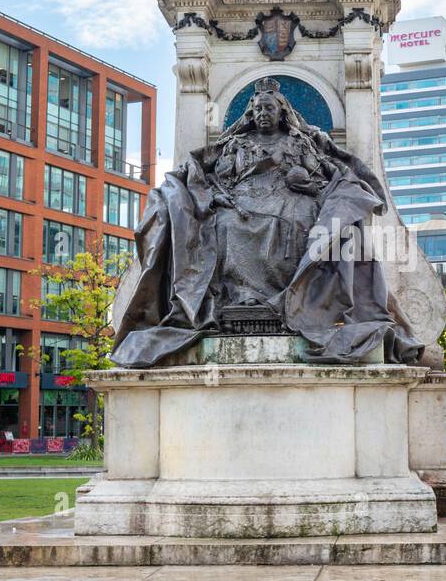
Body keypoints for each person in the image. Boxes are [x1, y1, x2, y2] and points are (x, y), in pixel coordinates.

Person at [113, 80, 423, 368]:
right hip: (242, 199)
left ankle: (292, 304)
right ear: (250, 112)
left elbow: (324, 174)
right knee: (226, 225)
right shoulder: (235, 143)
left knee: (301, 218)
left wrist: (309, 186)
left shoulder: (300, 140)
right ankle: (243, 296)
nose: (263, 113)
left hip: (292, 198)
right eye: (258, 108)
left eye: (269, 108)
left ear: (282, 112)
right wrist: (208, 197)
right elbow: (212, 175)